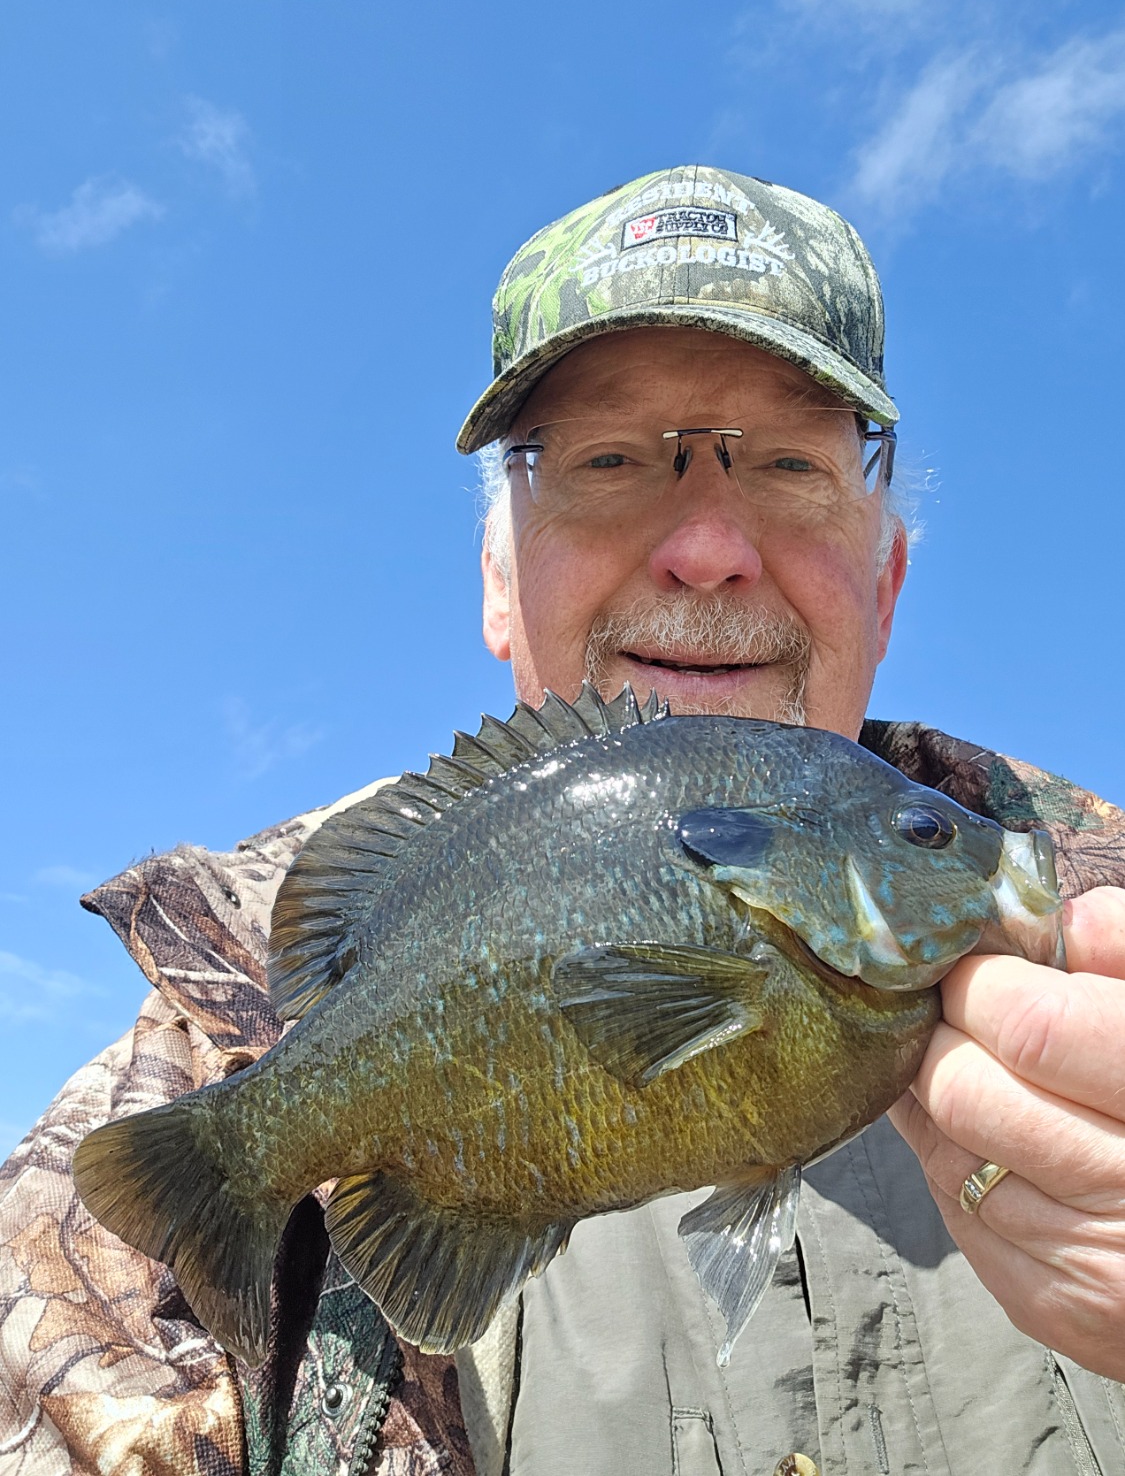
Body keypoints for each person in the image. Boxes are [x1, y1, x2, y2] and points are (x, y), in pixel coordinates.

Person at [3, 164, 1125, 1476]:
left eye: (785, 462)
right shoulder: (198, 1069)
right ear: (496, 583)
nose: (707, 546)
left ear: (883, 585)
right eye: (605, 462)